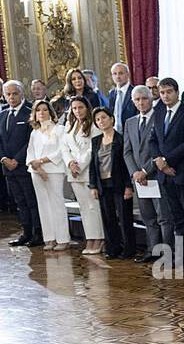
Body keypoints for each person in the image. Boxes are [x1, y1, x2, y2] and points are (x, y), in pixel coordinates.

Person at [151, 77, 184, 249]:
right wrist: (160, 161)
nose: (165, 96)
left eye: (169, 92)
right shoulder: (158, 113)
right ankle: (181, 252)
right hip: (165, 175)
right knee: (177, 217)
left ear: (177, 92)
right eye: (162, 92)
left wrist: (167, 160)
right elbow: (153, 141)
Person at [124, 85, 167, 261]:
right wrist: (135, 172)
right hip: (139, 180)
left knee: (163, 217)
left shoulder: (161, 117)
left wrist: (144, 171)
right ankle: (152, 251)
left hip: (156, 175)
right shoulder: (130, 122)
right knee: (148, 217)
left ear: (151, 99)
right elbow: (127, 151)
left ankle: (166, 253)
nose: (141, 102)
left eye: (144, 98)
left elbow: (161, 149)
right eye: (137, 99)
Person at [60, 96, 106, 255]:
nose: (77, 111)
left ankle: (99, 238)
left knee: (94, 206)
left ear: (87, 108)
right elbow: (64, 148)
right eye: (74, 108)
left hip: (88, 171)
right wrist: (70, 163)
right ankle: (90, 238)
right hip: (73, 172)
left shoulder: (94, 125)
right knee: (84, 208)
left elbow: (93, 149)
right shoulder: (69, 126)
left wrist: (79, 165)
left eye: (80, 107)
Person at [1, 80, 43, 247]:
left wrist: (17, 160)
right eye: (8, 94)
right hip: (7, 167)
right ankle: (26, 232)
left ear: (22, 93)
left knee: (31, 200)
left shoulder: (30, 112)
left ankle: (37, 233)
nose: (11, 97)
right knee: (19, 201)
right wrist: (3, 158)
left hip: (25, 165)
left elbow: (31, 140)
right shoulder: (2, 114)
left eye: (14, 93)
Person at [25, 100, 71, 250]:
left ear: (50, 112)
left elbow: (61, 151)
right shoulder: (34, 132)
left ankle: (63, 239)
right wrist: (37, 166)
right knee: (43, 204)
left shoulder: (60, 130)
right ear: (35, 115)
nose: (42, 113)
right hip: (36, 172)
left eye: (45, 110)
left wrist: (42, 161)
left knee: (57, 203)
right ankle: (49, 238)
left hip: (54, 170)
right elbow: (30, 152)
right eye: (39, 111)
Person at [88, 107, 132, 260]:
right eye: (98, 119)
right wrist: (93, 185)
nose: (101, 121)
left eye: (104, 118)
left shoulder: (121, 139)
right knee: (108, 217)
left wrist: (128, 186)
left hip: (119, 183)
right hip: (102, 184)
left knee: (124, 217)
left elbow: (127, 164)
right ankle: (113, 248)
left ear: (111, 119)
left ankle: (128, 249)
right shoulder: (95, 141)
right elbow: (93, 164)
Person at [106, 62, 138, 130]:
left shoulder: (135, 92)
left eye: (121, 73)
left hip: (131, 131)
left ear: (128, 74)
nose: (118, 76)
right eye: (115, 74)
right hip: (114, 133)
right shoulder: (111, 93)